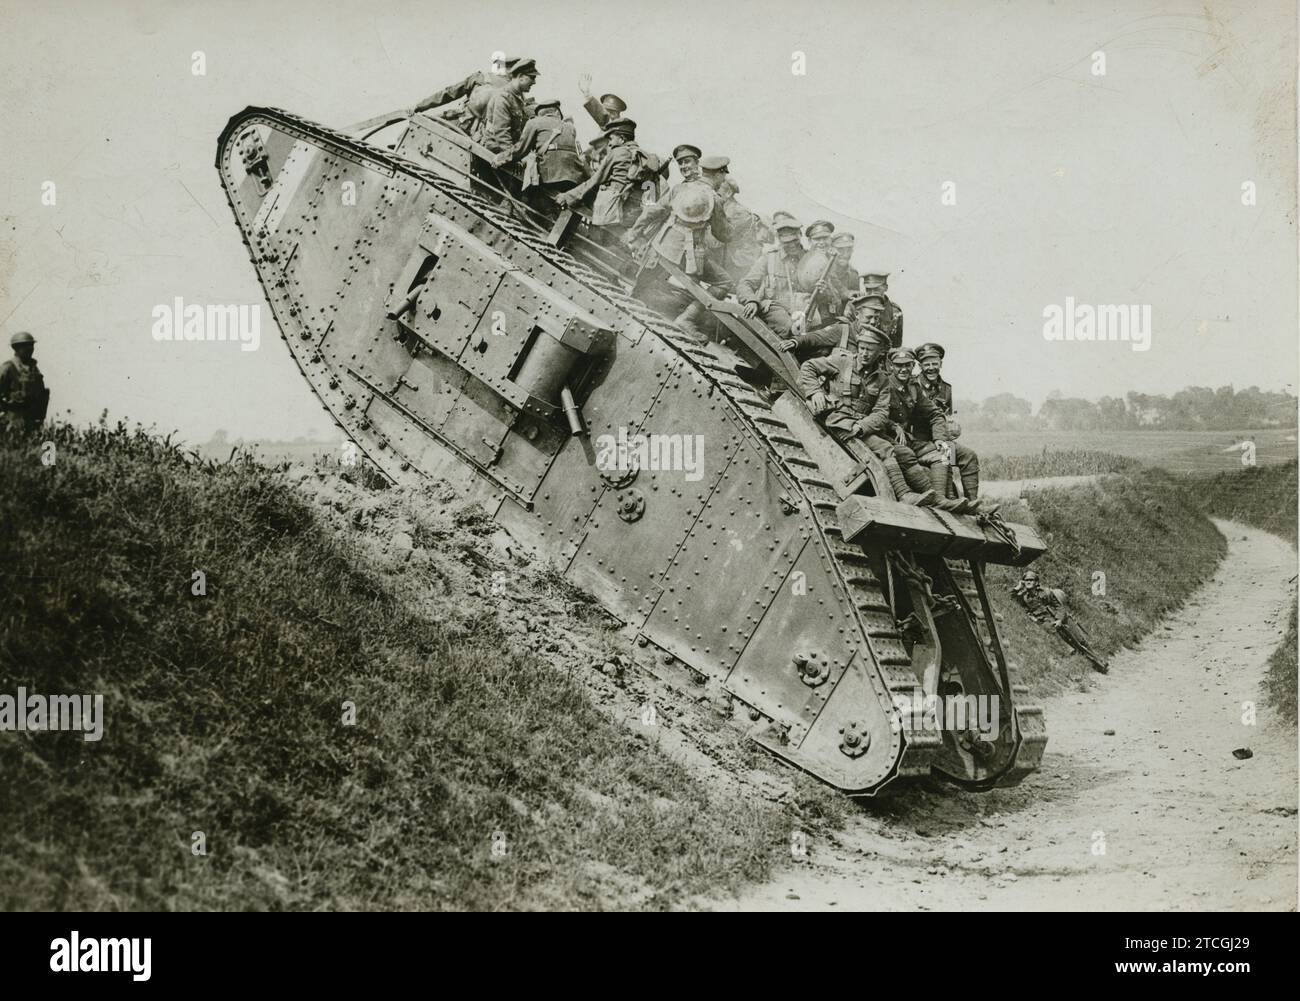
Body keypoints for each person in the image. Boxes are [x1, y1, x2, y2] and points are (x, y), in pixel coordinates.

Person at [797, 323, 935, 506]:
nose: (864, 353)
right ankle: (904, 495)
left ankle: (934, 498)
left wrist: (862, 426)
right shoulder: (842, 361)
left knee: (905, 453)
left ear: (879, 352)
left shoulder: (882, 379)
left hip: (859, 426)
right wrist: (815, 392)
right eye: (862, 348)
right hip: (837, 421)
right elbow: (808, 367)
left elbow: (881, 412)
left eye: (870, 350)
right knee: (884, 448)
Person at [629, 145, 730, 336]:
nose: (683, 166)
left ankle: (633, 300)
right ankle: (687, 319)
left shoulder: (680, 189)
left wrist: (634, 233)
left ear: (699, 166)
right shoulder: (714, 198)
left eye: (687, 161)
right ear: (718, 174)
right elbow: (724, 234)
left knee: (647, 276)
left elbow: (654, 210)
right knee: (725, 282)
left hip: (662, 246)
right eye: (680, 163)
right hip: (688, 255)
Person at [557, 118, 661, 251]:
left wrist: (568, 196)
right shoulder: (645, 156)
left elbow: (594, 180)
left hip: (614, 209)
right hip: (634, 210)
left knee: (582, 199)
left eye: (611, 139)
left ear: (622, 139)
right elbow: (652, 192)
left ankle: (569, 241)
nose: (610, 144)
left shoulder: (618, 152)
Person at [911, 342, 990, 513]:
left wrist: (951, 426)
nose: (931, 368)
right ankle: (946, 500)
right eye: (926, 364)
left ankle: (973, 504)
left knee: (968, 456)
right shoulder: (913, 386)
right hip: (919, 442)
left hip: (940, 440)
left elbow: (945, 417)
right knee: (946, 454)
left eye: (934, 363)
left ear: (941, 364)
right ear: (919, 365)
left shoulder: (946, 389)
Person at [492, 99, 588, 211]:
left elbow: (520, 149)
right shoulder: (570, 127)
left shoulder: (535, 122)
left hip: (549, 174)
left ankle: (509, 207)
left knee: (521, 172)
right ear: (557, 112)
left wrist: (501, 158)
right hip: (573, 177)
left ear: (539, 114)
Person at [1011, 570, 1110, 673]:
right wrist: (1017, 587)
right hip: (1048, 622)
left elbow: (1060, 607)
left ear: (1036, 582)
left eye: (1031, 580)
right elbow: (1011, 598)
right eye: (1026, 580)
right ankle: (1095, 663)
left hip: (1062, 618)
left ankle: (1099, 660)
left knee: (1081, 640)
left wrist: (1059, 620)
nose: (1028, 582)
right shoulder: (1024, 597)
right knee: (1073, 644)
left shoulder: (1046, 592)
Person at [737, 211, 804, 337]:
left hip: (801, 311)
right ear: (779, 240)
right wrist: (751, 301)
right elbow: (745, 284)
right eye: (786, 242)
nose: (792, 245)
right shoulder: (770, 258)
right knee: (791, 328)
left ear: (800, 235)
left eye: (795, 240)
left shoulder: (809, 260)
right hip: (773, 310)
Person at [477, 58, 539, 154]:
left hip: (503, 151)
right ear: (521, 77)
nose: (534, 82)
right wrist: (511, 158)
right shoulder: (503, 98)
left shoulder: (516, 98)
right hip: (493, 152)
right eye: (532, 77)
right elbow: (502, 134)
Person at [0, 331, 49, 431]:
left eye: (31, 345)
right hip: (12, 418)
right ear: (16, 348)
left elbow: (41, 393)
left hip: (32, 419)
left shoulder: (34, 369)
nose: (30, 349)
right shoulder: (8, 367)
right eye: (26, 345)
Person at [860, 271, 904, 347]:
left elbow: (896, 344)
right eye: (868, 290)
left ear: (886, 287)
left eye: (876, 290)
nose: (872, 294)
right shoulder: (855, 307)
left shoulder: (895, 312)